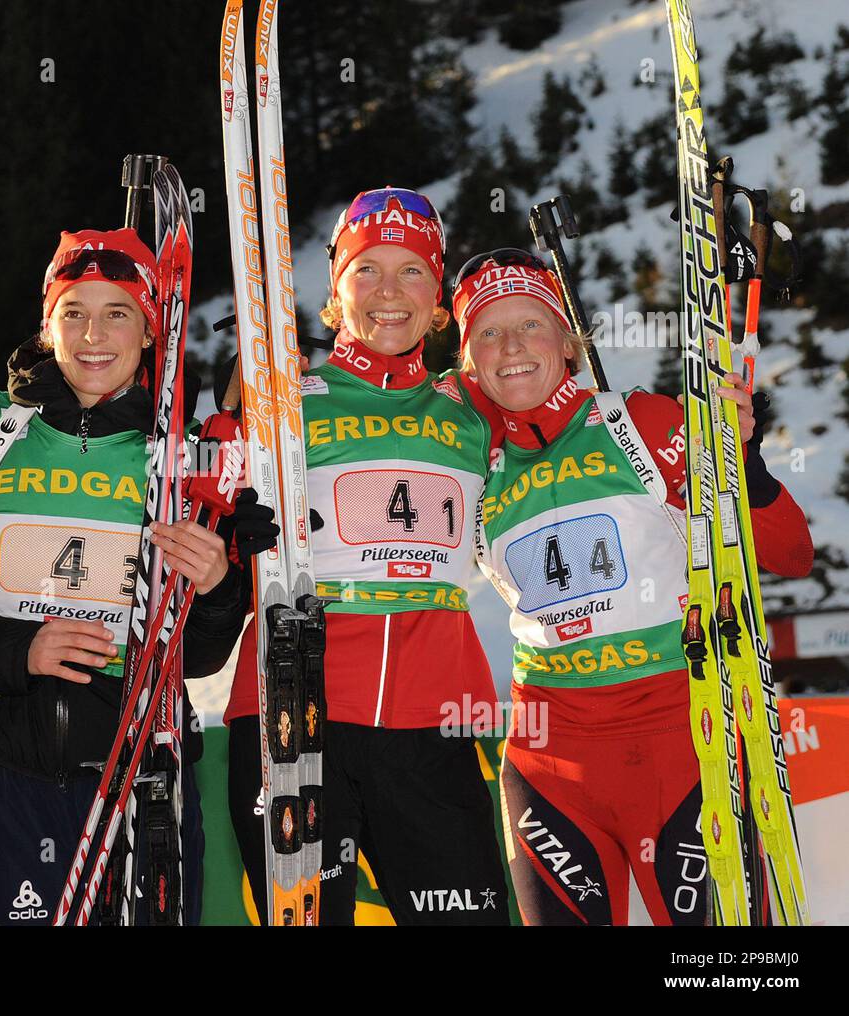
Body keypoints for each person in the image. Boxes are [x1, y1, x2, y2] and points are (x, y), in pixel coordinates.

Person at [453, 248, 814, 925]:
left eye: (530, 324)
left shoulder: (644, 424)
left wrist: (746, 465)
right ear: (469, 359)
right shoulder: (468, 457)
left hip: (686, 743)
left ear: (568, 338)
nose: (511, 347)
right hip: (548, 766)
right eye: (487, 333)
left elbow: (791, 554)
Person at [0, 227, 265, 926]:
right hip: (7, 771)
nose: (95, 334)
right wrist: (21, 651)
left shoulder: (179, 455)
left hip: (147, 770)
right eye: (73, 312)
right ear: (47, 324)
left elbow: (199, 657)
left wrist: (217, 587)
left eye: (118, 312)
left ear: (152, 331)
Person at [225, 188, 510, 925]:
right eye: (367, 271)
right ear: (335, 295)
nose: (390, 292)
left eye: (412, 272)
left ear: (441, 301)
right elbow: (198, 533)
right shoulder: (283, 402)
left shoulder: (479, 414)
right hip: (294, 714)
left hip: (436, 724)